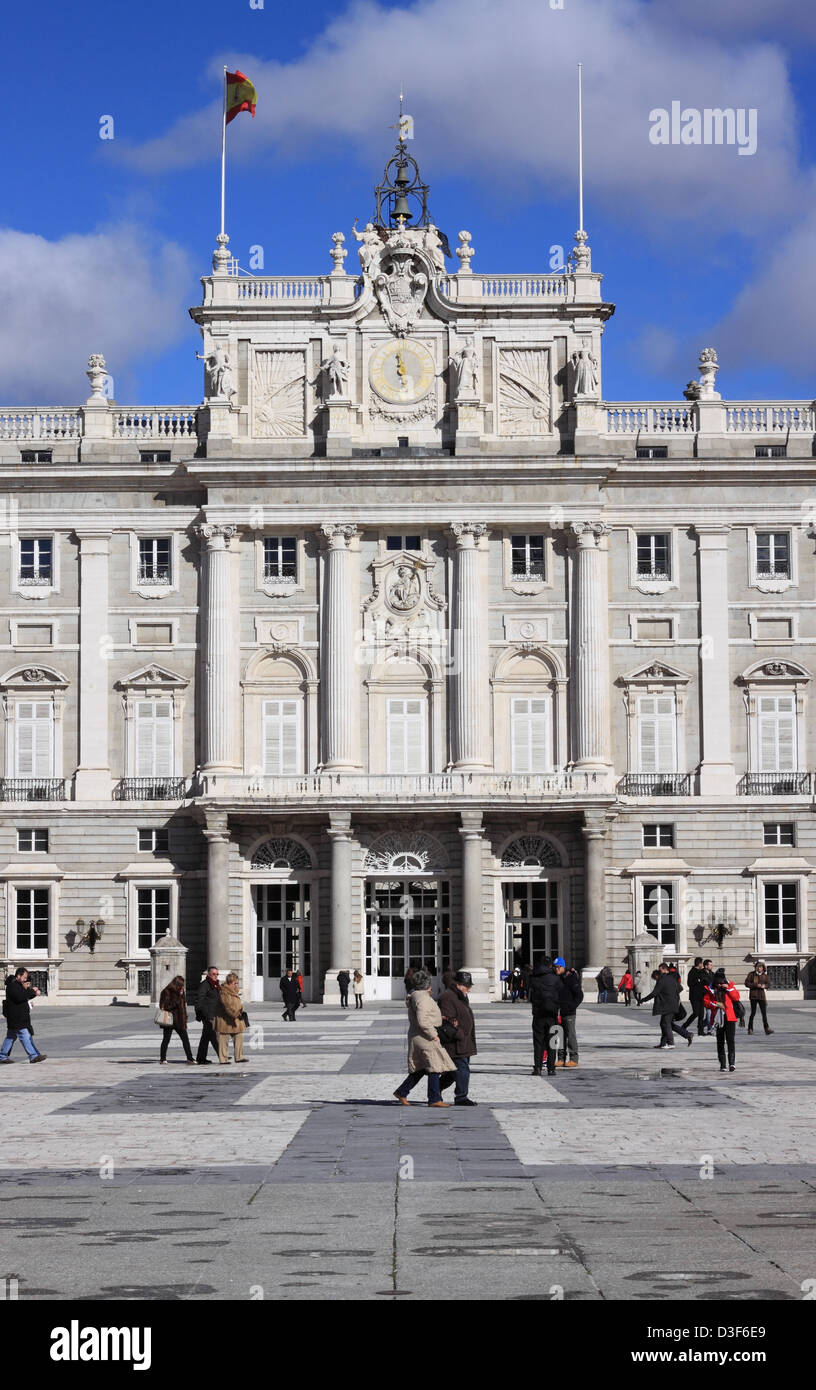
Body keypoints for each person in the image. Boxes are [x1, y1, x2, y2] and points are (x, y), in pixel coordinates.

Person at [392, 968, 456, 1107]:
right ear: (427, 985)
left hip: (418, 1035)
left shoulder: (416, 996)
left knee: (421, 1068)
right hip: (426, 1037)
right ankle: (434, 1099)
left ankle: (402, 1091)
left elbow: (422, 1016)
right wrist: (434, 1035)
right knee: (435, 1067)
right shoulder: (423, 998)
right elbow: (423, 1020)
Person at [437, 969, 478, 1106]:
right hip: (455, 1042)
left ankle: (435, 1090)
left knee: (452, 1072)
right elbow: (446, 1020)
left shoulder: (460, 996)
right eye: (467, 986)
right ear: (459, 985)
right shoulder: (447, 997)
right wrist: (459, 1034)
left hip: (464, 1041)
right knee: (462, 1070)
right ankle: (461, 1097)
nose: (469, 989)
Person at [641, 962, 693, 1050]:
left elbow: (655, 993)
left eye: (660, 970)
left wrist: (643, 1000)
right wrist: (673, 995)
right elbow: (680, 988)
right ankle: (666, 1042)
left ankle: (671, 1043)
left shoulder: (662, 979)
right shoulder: (671, 978)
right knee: (666, 1024)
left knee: (665, 1023)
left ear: (664, 969)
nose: (659, 971)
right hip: (673, 1004)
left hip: (667, 1005)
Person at [0, 967, 46, 1064]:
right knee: (25, 1036)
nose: (26, 979)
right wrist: (32, 991)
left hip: (17, 1017)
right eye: (24, 977)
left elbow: (24, 995)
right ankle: (33, 1056)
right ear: (18, 976)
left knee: (11, 1037)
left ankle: (2, 1056)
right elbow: (19, 997)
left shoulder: (17, 985)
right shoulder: (12, 986)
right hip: (17, 1017)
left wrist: (33, 993)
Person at [705, 969, 741, 1073]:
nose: (720, 985)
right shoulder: (711, 989)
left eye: (722, 983)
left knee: (730, 1040)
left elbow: (736, 998)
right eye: (718, 983)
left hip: (730, 1018)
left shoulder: (729, 987)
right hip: (718, 1018)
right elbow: (706, 1002)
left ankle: (732, 1063)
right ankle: (723, 1065)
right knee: (720, 1042)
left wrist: (729, 988)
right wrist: (716, 1004)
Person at [529, 956, 560, 1076]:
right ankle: (551, 1068)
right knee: (552, 1041)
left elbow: (531, 995)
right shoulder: (555, 978)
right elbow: (560, 993)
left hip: (538, 1013)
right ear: (550, 965)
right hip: (552, 1013)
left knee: (538, 1042)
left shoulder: (534, 978)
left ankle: (537, 1068)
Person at [158, 975, 195, 1065]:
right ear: (177, 984)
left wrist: (185, 1016)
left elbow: (183, 1007)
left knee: (185, 1039)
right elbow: (164, 1006)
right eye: (181, 985)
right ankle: (163, 1058)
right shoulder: (166, 991)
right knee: (166, 1039)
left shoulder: (181, 992)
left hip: (179, 1020)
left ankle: (190, 1058)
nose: (183, 986)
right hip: (170, 1020)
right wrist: (178, 1000)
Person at [554, 957, 583, 1067]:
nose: (556, 969)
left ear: (563, 967)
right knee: (559, 1036)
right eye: (555, 967)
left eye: (558, 967)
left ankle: (573, 1058)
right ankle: (560, 1058)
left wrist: (571, 1006)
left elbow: (579, 995)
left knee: (570, 1035)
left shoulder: (570, 978)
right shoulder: (557, 979)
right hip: (558, 1012)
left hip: (569, 1012)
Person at [215, 972, 247, 1064]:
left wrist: (241, 1010)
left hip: (236, 1019)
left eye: (237, 983)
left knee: (238, 1036)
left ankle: (239, 1057)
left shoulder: (234, 991)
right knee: (223, 1039)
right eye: (234, 983)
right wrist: (235, 1014)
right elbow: (227, 1006)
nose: (236, 985)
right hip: (226, 1019)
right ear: (229, 983)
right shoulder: (224, 992)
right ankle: (223, 1059)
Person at [195, 965, 221, 1064]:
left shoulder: (216, 985)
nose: (216, 976)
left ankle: (201, 1058)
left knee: (205, 1037)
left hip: (214, 1014)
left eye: (217, 974)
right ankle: (222, 1055)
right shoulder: (205, 985)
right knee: (213, 1036)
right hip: (208, 1015)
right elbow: (199, 1000)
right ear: (209, 974)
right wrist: (202, 1014)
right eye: (213, 974)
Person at [744, 961, 774, 1036]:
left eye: (761, 967)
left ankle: (766, 1028)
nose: (759, 968)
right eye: (758, 967)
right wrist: (756, 985)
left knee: (764, 1013)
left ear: (763, 968)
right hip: (753, 996)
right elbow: (746, 983)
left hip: (761, 996)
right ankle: (750, 1028)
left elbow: (769, 984)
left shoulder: (764, 975)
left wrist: (765, 986)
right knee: (753, 1013)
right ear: (756, 968)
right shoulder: (751, 974)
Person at [687, 957, 709, 1036]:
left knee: (701, 1014)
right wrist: (698, 981)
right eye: (701, 963)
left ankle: (700, 1031)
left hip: (701, 995)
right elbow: (689, 983)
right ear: (699, 964)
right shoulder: (692, 972)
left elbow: (705, 980)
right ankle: (684, 1026)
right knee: (696, 1013)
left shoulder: (701, 972)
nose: (702, 965)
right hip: (694, 996)